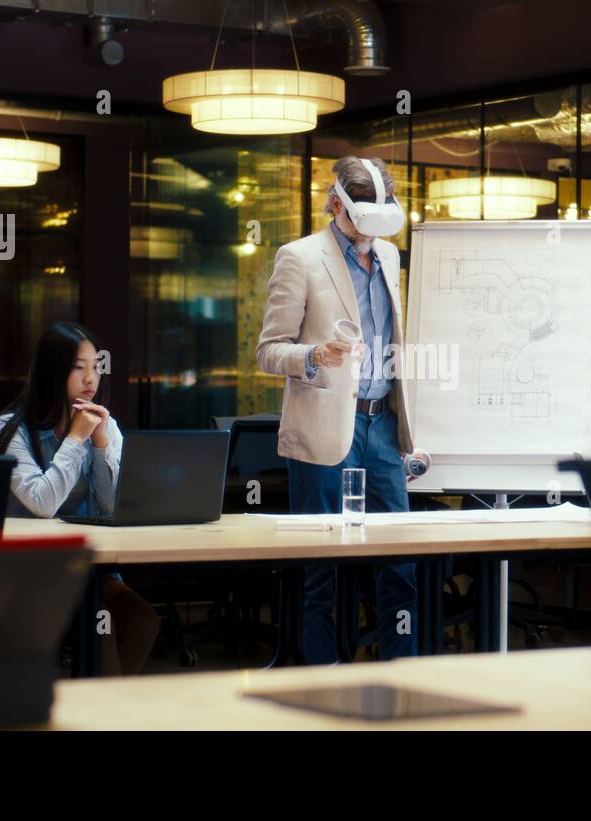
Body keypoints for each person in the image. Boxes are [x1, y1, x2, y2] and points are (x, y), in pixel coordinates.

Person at [257, 156, 417, 663]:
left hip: (383, 426)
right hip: (323, 429)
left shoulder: (390, 258)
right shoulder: (299, 257)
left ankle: (401, 673)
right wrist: (312, 356)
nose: (368, 234)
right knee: (318, 569)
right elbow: (268, 349)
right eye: (359, 220)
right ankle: (320, 680)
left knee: (399, 565)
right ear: (334, 205)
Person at [0, 321, 159, 675]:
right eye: (78, 368)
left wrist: (100, 444)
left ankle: (105, 712)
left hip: (90, 567)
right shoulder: (9, 429)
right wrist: (76, 440)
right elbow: (42, 503)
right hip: (29, 570)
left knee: (143, 620)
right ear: (53, 371)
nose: (91, 379)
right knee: (102, 629)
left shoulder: (103, 424)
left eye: (96, 367)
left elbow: (116, 509)